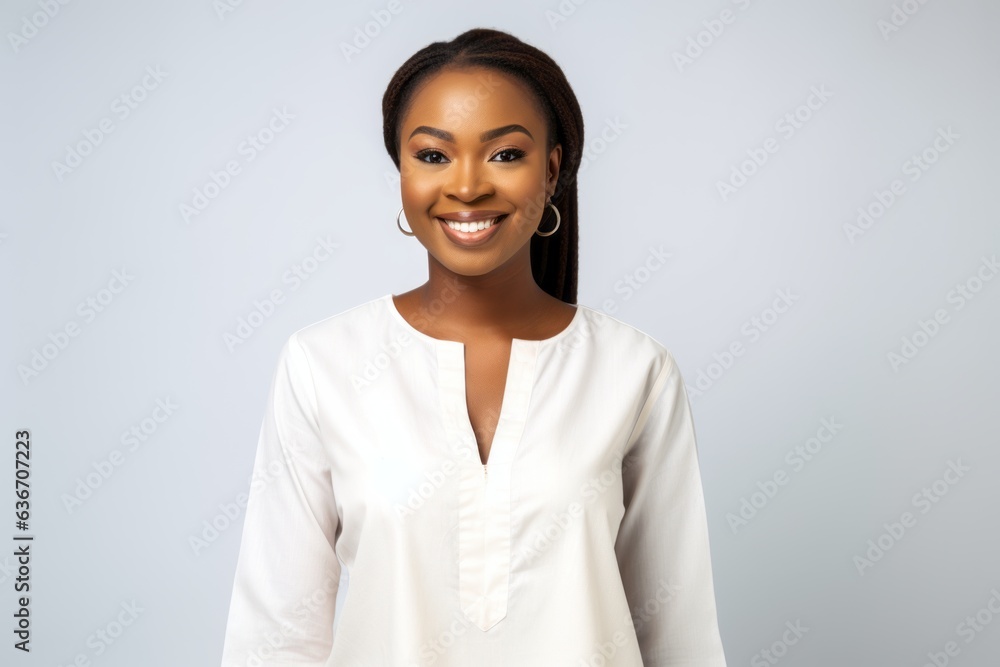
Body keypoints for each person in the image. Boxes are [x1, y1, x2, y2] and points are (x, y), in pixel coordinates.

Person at [221, 27, 727, 666]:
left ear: (551, 170)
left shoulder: (635, 372)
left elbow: (677, 633)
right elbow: (275, 636)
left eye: (505, 154)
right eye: (432, 155)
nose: (466, 187)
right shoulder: (323, 364)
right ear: (401, 172)